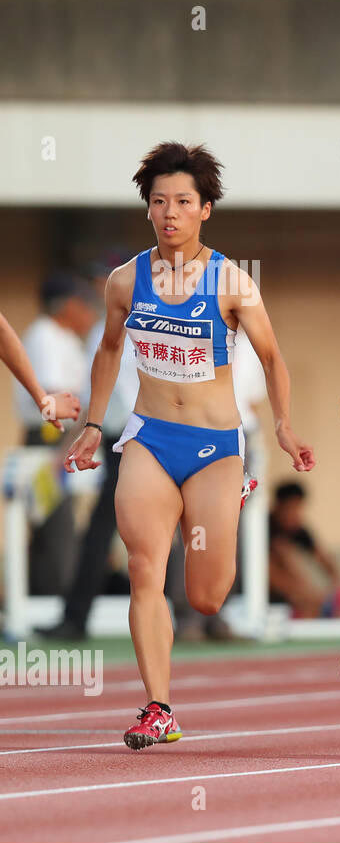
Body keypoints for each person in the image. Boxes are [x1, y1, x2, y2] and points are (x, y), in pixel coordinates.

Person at [64, 141, 314, 749]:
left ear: (206, 209)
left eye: (182, 201)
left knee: (205, 596)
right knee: (145, 570)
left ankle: (231, 496)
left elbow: (274, 357)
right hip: (149, 436)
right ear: (147, 209)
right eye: (158, 202)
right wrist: (95, 424)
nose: (169, 212)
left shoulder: (231, 282)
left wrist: (282, 424)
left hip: (214, 445)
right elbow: (107, 350)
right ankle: (158, 706)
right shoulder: (126, 281)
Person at [39, 252, 205, 642]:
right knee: (162, 526)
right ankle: (191, 617)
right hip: (148, 435)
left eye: (101, 279)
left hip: (136, 437)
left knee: (113, 530)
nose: (98, 288)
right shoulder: (161, 320)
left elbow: (99, 391)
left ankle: (79, 617)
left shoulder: (117, 324)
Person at [13, 273, 98, 595]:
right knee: (55, 524)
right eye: (83, 304)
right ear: (65, 306)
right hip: (49, 439)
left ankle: (51, 595)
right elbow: (54, 395)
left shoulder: (68, 339)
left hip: (66, 438)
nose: (89, 312)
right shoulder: (44, 334)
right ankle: (55, 598)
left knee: (59, 523)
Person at [268, 481, 340, 619]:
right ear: (278, 506)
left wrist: (338, 583)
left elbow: (323, 558)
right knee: (283, 551)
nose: (294, 514)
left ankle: (312, 609)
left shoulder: (299, 529)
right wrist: (302, 592)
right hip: (263, 592)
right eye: (290, 509)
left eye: (298, 509)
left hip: (295, 594)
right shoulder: (264, 527)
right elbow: (266, 571)